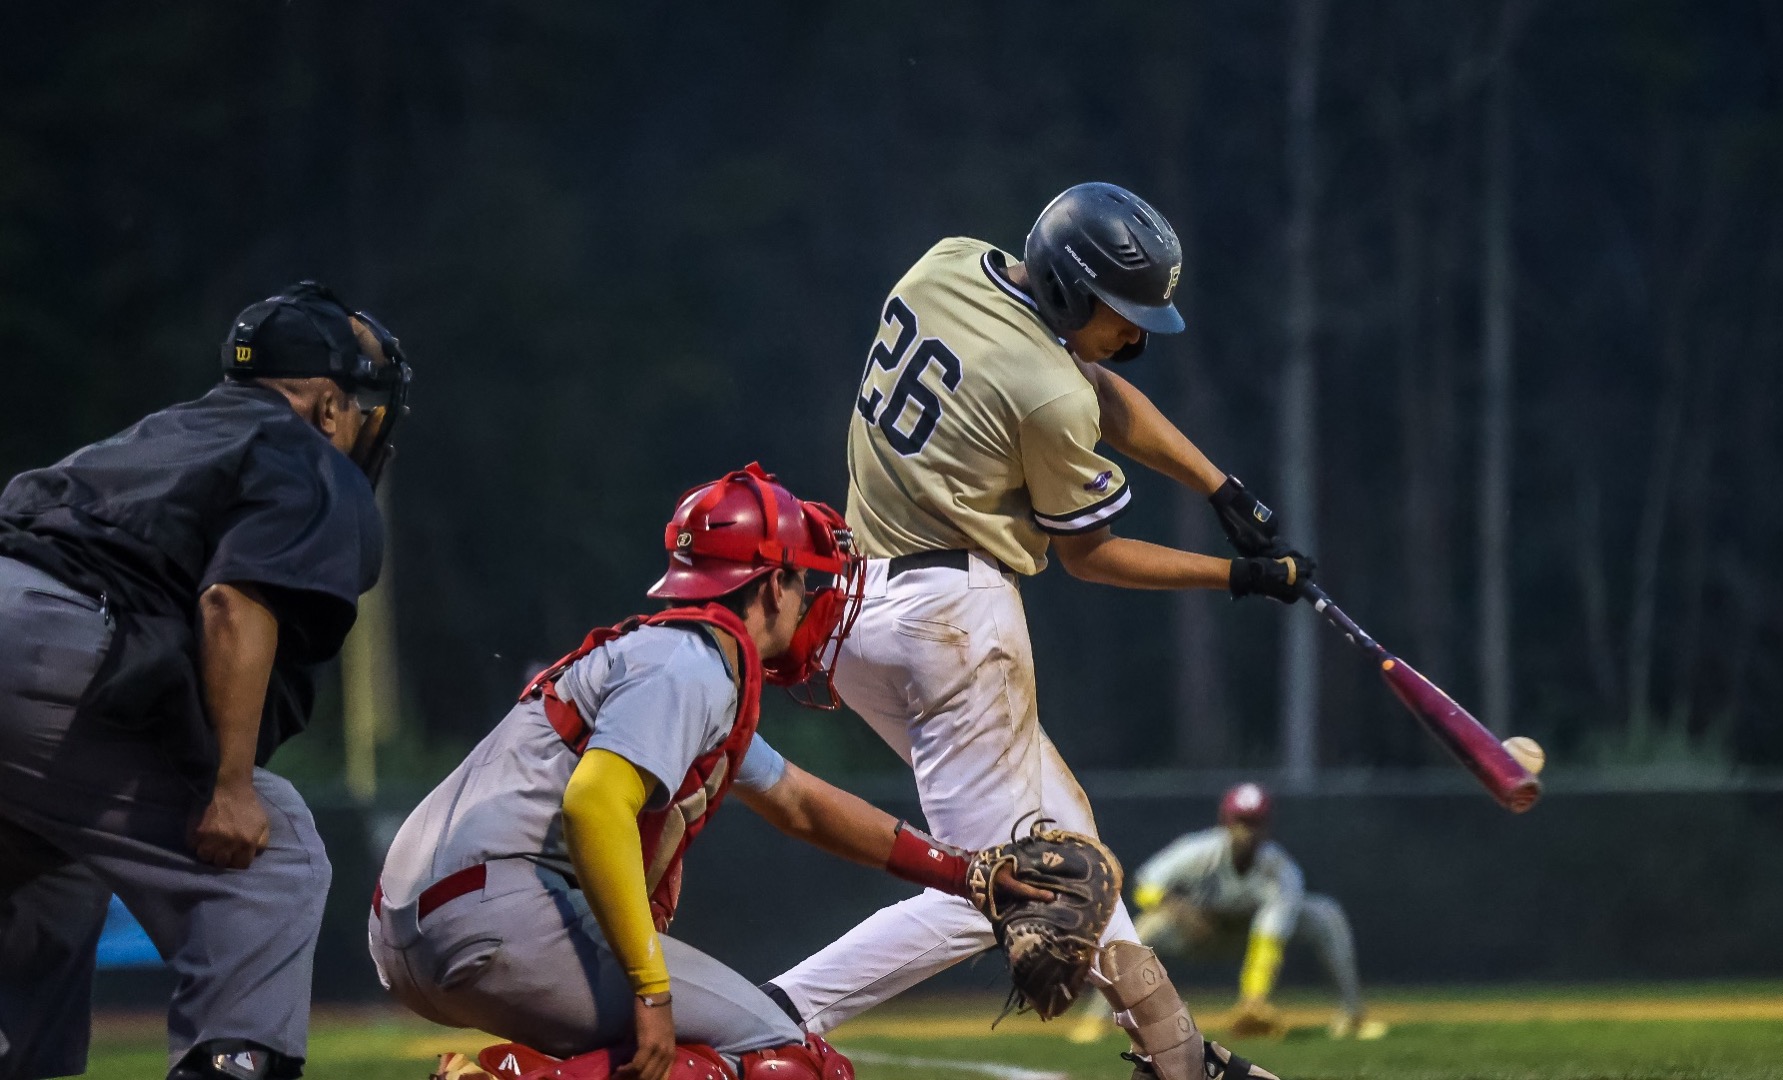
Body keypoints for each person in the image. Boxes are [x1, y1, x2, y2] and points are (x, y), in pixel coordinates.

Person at [763, 182, 1310, 1080]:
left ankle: (1177, 1056)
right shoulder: (1049, 396)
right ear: (1066, 290)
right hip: (953, 626)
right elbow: (1092, 554)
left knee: (1070, 847)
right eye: (1125, 314)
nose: (1137, 337)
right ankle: (770, 1014)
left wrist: (1218, 486)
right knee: (1018, 889)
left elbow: (1086, 380)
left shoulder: (947, 264)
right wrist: (1239, 576)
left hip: (855, 611)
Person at [369, 464, 1050, 1080]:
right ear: (772, 583)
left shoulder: (670, 657)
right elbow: (593, 804)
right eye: (803, 577)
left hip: (417, 923)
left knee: (680, 1058)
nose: (811, 594)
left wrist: (966, 873)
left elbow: (800, 804)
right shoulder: (689, 665)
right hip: (496, 915)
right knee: (788, 1065)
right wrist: (650, 988)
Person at [0, 281, 413, 1080]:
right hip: (39, 646)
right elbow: (234, 600)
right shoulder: (308, 454)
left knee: (53, 868)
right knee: (276, 858)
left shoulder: (159, 434)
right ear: (329, 407)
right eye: (362, 405)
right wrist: (229, 787)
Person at [1068, 784, 1386, 1044]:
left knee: (1325, 914)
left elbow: (1270, 935)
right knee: (1142, 930)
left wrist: (1253, 999)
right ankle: (1096, 1020)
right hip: (1198, 933)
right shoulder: (1199, 850)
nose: (1247, 831)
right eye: (1241, 822)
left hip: (1248, 937)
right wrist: (1182, 912)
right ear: (1226, 822)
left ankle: (1352, 1015)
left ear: (1267, 827)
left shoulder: (1281, 871)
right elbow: (1146, 882)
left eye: (1254, 823)